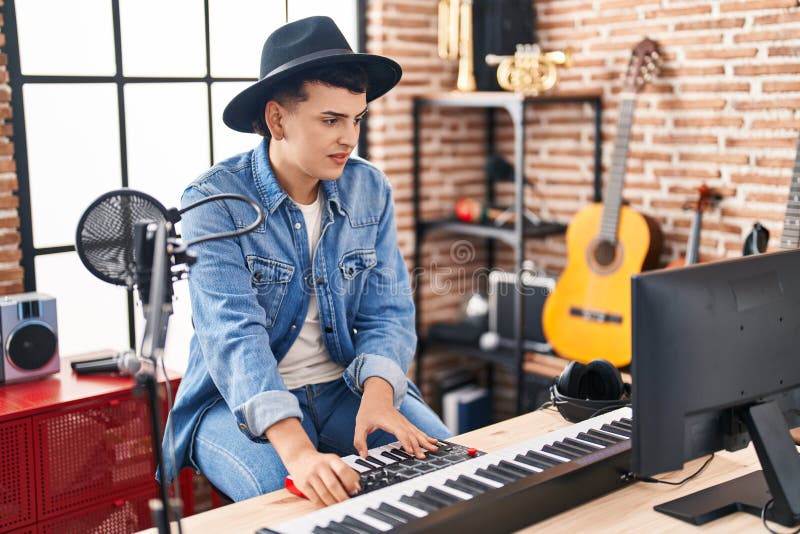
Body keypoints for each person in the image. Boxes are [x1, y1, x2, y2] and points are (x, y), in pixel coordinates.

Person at [160, 16, 451, 506]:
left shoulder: (369, 189)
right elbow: (233, 337)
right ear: (277, 120)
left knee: (443, 475)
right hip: (233, 404)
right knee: (298, 506)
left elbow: (389, 311)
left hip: (343, 387)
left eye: (357, 119)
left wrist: (379, 399)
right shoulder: (213, 202)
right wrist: (298, 453)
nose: (349, 138)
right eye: (331, 120)